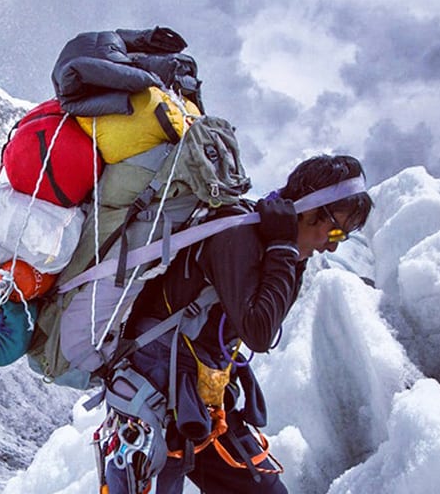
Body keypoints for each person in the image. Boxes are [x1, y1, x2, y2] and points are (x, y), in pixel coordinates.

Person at [103, 154, 373, 494]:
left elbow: (269, 320)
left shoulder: (266, 239)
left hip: (198, 395)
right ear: (309, 208)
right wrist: (284, 249)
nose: (333, 243)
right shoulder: (238, 234)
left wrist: (288, 251)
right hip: (158, 392)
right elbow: (259, 332)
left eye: (343, 237)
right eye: (335, 230)